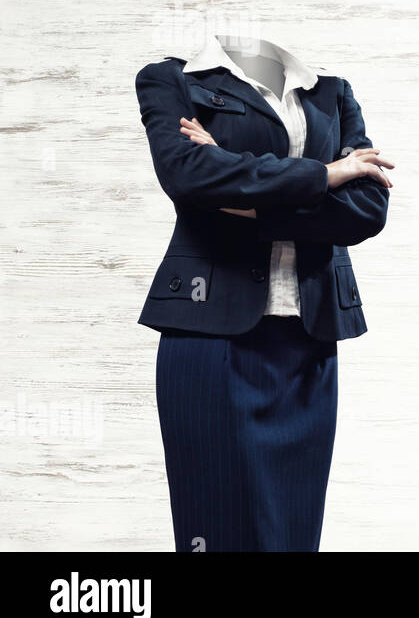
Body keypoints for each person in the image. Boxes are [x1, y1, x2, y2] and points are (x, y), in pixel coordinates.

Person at [134, 34, 394, 551]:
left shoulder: (332, 94)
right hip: (210, 331)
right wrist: (326, 173)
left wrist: (245, 195)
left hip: (310, 334)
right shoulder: (174, 80)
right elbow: (188, 176)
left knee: (293, 530)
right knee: (217, 522)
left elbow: (367, 208)